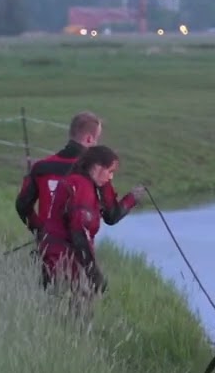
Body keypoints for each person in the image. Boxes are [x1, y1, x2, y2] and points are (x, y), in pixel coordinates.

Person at [14, 111, 144, 242]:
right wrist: (132, 198)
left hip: (48, 247)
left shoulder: (41, 167)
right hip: (80, 251)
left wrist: (40, 232)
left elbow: (22, 206)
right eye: (96, 139)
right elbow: (111, 216)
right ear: (89, 139)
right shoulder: (94, 171)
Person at [38, 145, 125, 299]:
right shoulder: (82, 187)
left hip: (54, 258)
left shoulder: (77, 181)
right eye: (110, 171)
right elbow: (79, 235)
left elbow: (110, 215)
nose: (110, 177)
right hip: (64, 264)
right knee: (73, 315)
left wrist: (132, 199)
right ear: (97, 167)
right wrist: (95, 275)